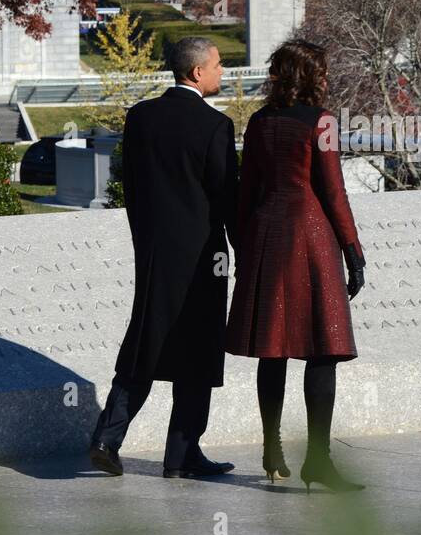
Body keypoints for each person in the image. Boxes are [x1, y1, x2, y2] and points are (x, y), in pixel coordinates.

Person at [88, 37, 239, 479]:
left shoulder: (140, 117)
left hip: (153, 253)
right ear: (196, 73)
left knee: (144, 345)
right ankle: (181, 455)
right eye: (217, 65)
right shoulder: (216, 127)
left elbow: (131, 186)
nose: (222, 72)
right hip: (204, 259)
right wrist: (245, 252)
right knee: (200, 348)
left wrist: (145, 240)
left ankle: (106, 438)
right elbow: (226, 199)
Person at [225, 39, 367, 492]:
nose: (326, 78)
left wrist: (243, 243)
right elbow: (333, 191)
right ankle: (318, 460)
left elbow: (246, 189)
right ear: (310, 76)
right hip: (310, 237)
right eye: (321, 71)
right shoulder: (323, 122)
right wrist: (353, 249)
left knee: (274, 347)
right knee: (323, 349)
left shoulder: (260, 122)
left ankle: (271, 448)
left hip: (265, 235)